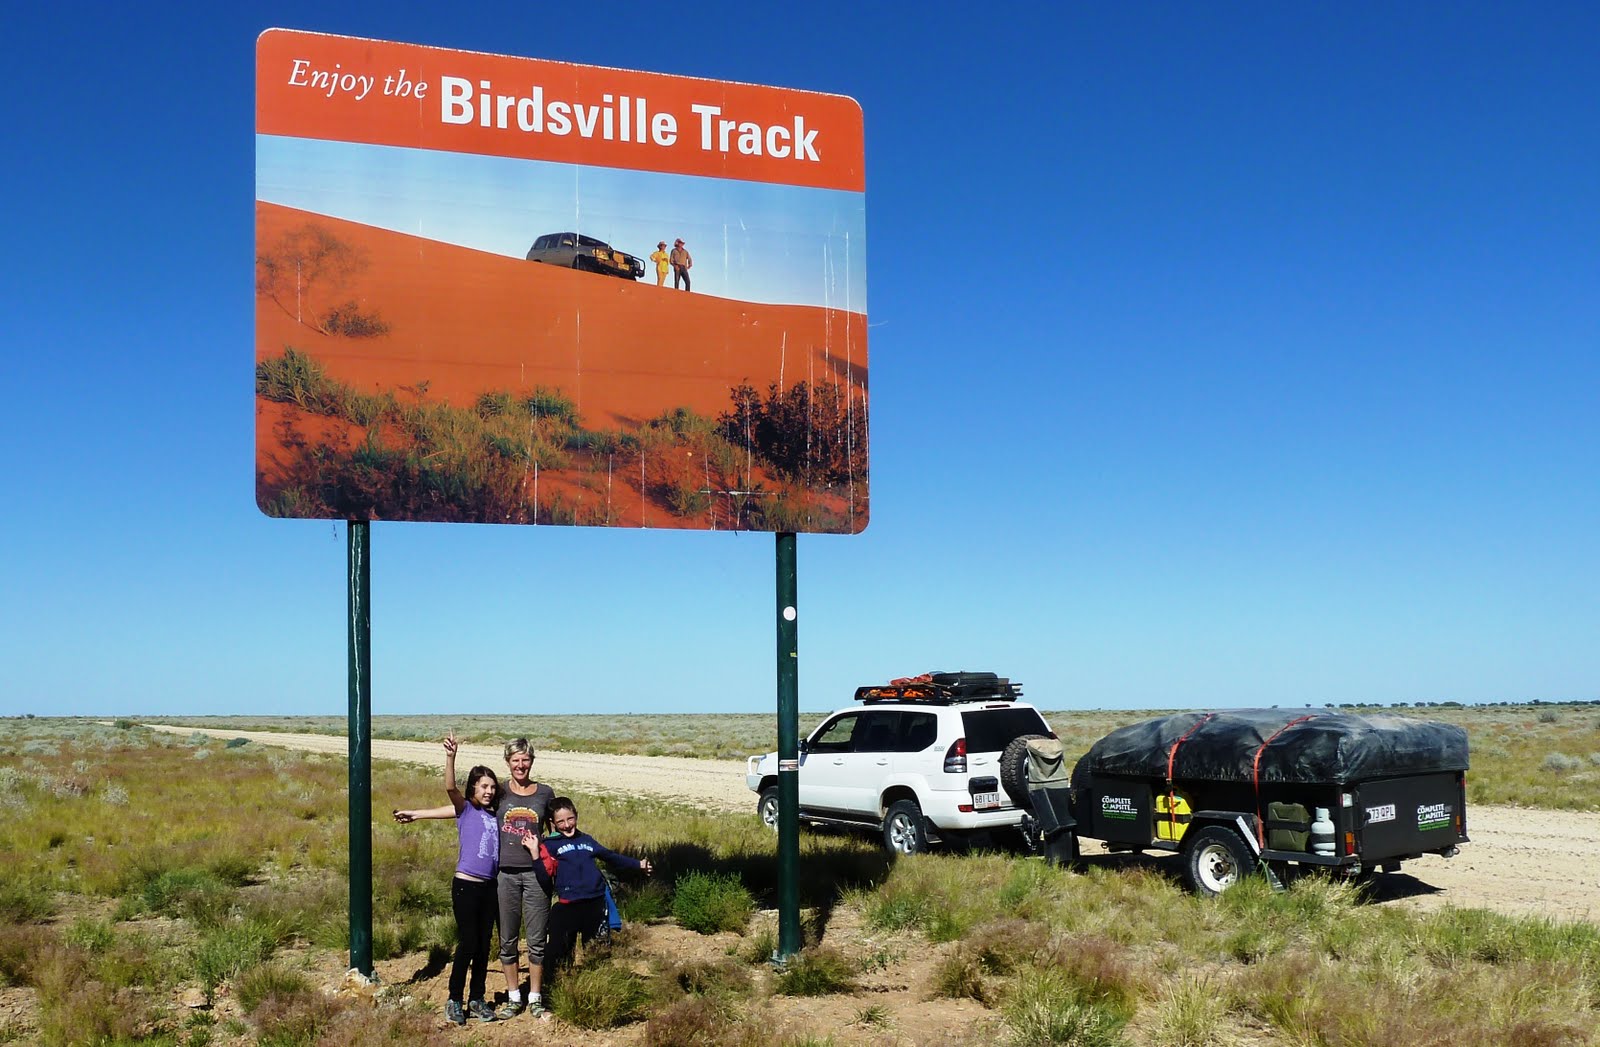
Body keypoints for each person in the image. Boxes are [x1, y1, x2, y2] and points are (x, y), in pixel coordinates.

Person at [392, 736, 500, 1026]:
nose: (489, 791)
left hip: (490, 887)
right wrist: (451, 757)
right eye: (483, 786)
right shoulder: (467, 809)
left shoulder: (495, 815)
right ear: (473, 788)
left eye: (492, 787)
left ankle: (477, 998)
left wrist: (417, 814)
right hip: (466, 885)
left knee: (484, 945)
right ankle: (454, 999)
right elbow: (450, 789)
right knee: (469, 941)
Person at [524, 796, 652, 975]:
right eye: (561, 822)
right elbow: (544, 878)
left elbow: (610, 856)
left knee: (596, 953)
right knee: (560, 954)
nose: (567, 825)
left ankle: (597, 983)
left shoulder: (587, 840)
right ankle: (558, 985)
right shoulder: (550, 845)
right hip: (568, 906)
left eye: (570, 819)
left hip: (595, 904)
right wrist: (535, 853)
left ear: (576, 815)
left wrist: (637, 864)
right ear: (552, 823)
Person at [492, 738, 556, 1019]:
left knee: (537, 939)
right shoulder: (499, 792)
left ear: (532, 761)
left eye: (525, 759)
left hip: (535, 874)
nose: (520, 765)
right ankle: (513, 996)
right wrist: (419, 814)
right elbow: (464, 808)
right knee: (507, 939)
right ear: (507, 762)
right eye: (515, 760)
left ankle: (535, 998)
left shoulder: (545, 793)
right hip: (504, 874)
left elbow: (557, 828)